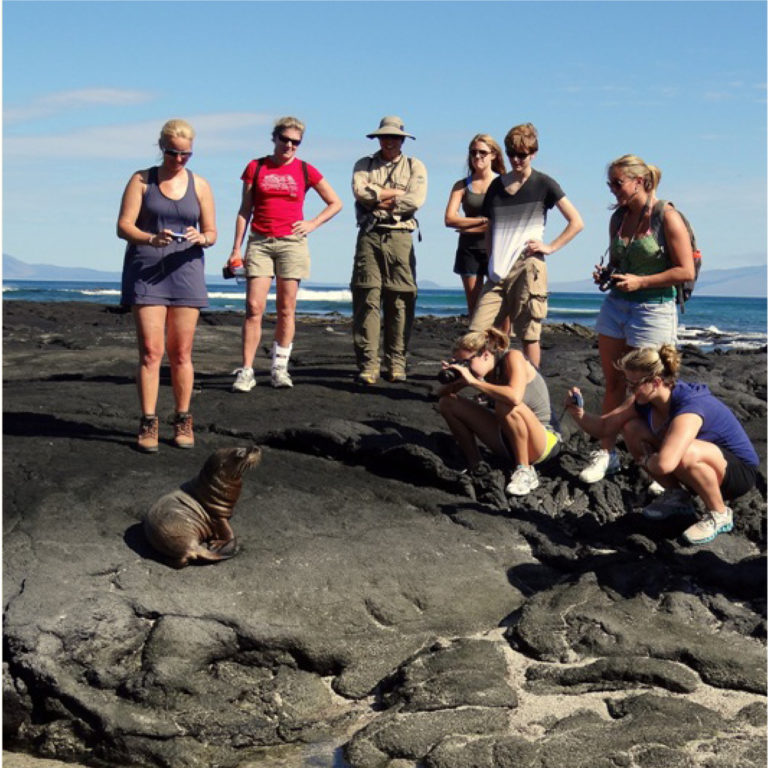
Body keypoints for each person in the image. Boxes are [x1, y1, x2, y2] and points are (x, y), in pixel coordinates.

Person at [565, 345, 758, 545]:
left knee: (683, 453)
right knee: (631, 428)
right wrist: (578, 413)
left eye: (634, 384)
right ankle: (677, 496)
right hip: (696, 466)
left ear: (656, 382)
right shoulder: (642, 401)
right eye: (627, 383)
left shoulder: (690, 406)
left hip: (737, 474)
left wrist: (648, 460)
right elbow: (604, 427)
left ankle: (719, 513)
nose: (629, 389)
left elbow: (664, 464)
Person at [578, 154, 695, 484]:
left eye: (618, 183)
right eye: (610, 184)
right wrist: (607, 274)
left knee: (652, 389)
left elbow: (685, 270)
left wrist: (641, 282)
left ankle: (660, 462)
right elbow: (620, 264)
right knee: (614, 383)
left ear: (639, 182)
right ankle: (606, 453)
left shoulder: (667, 217)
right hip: (618, 305)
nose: (613, 190)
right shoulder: (618, 218)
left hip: (654, 309)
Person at [117, 118, 216, 453]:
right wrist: (150, 238)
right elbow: (123, 226)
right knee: (150, 352)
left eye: (186, 154)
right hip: (146, 272)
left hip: (186, 273)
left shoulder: (200, 185)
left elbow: (212, 232)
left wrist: (202, 237)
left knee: (181, 352)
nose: (179, 159)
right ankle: (148, 422)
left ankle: (183, 419)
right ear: (162, 148)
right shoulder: (141, 180)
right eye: (173, 153)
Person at [228, 116, 342, 392]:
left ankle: (279, 368)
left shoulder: (305, 169)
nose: (289, 145)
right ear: (275, 138)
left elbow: (335, 202)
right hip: (260, 242)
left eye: (295, 142)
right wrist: (235, 249)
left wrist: (312, 223)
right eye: (285, 139)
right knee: (254, 307)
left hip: (292, 243)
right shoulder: (256, 167)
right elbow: (245, 210)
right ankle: (247, 370)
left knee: (286, 308)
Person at [468, 122, 583, 369]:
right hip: (497, 271)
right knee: (477, 333)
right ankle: (488, 382)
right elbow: (490, 227)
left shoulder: (544, 183)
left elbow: (576, 222)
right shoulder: (496, 186)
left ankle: (531, 386)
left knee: (529, 334)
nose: (516, 160)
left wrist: (550, 247)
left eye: (522, 155)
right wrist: (490, 258)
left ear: (533, 154)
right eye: (511, 154)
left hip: (528, 267)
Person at [437, 328, 561, 497]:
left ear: (485, 355)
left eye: (466, 362)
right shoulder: (482, 373)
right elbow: (441, 395)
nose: (465, 367)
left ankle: (524, 471)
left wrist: (474, 382)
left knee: (506, 404)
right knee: (447, 403)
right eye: (460, 363)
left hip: (542, 443)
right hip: (508, 440)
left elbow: (515, 397)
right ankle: (476, 465)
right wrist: (456, 378)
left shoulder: (513, 357)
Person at [351, 116, 428, 385]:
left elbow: (414, 200)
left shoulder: (415, 165)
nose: (389, 141)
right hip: (369, 234)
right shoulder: (363, 164)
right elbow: (360, 192)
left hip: (400, 235)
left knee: (400, 299)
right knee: (367, 297)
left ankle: (396, 362)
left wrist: (379, 197)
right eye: (385, 136)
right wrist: (392, 194)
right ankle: (368, 364)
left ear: (402, 140)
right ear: (378, 138)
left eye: (395, 137)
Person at [444, 134, 506, 317]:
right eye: (473, 152)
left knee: (502, 307)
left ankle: (501, 338)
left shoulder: (503, 183)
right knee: (475, 309)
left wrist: (467, 227)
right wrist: (484, 221)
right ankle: (477, 337)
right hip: (469, 250)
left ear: (493, 155)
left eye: (482, 152)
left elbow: (504, 222)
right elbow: (449, 219)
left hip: (497, 249)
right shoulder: (462, 185)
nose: (477, 156)